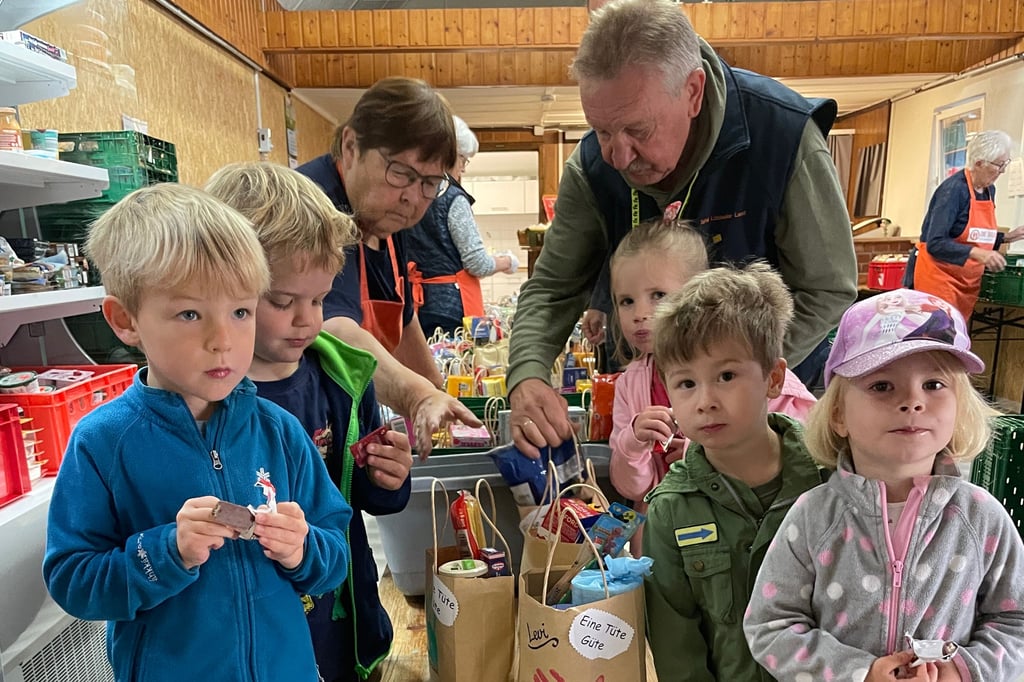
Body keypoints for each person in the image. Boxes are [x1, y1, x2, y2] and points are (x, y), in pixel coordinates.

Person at [506, 0, 856, 459]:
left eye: (637, 130)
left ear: (693, 91)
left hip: (765, 422)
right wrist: (527, 373)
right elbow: (553, 286)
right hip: (645, 423)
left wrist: (731, 380)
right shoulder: (592, 165)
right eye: (601, 130)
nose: (618, 156)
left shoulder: (783, 135)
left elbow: (827, 288)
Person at [43, 184, 353, 681]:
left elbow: (334, 553)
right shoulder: (101, 443)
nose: (223, 341)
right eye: (190, 314)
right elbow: (72, 580)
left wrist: (301, 548)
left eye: (241, 312)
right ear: (126, 320)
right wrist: (165, 552)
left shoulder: (281, 432)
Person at [744, 289, 1024, 681]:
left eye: (934, 385)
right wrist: (859, 672)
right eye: (881, 386)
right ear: (839, 413)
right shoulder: (813, 516)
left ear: (959, 406)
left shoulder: (981, 517)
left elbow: (1016, 620)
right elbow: (770, 625)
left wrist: (965, 670)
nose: (912, 401)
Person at [205, 162, 412, 682]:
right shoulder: (205, 393)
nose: (307, 319)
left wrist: (389, 478)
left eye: (319, 299)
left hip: (338, 616)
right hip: (243, 630)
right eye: (282, 301)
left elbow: (364, 500)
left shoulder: (341, 378)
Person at [642, 262, 826, 681]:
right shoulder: (671, 510)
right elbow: (676, 647)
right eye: (686, 383)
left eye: (726, 375)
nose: (705, 400)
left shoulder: (830, 482)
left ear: (773, 378)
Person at [608, 219, 816, 558]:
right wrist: (632, 444)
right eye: (625, 301)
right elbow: (632, 488)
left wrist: (705, 450)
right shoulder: (631, 384)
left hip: (754, 533)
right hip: (667, 539)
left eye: (658, 296)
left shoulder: (756, 371)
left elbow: (802, 456)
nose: (640, 314)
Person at [297, 76, 479, 454]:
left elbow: (405, 318)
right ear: (351, 146)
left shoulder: (386, 218)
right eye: (400, 173)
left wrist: (438, 396)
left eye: (430, 182)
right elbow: (333, 329)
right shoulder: (314, 208)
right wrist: (416, 398)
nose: (413, 197)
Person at [406, 115, 519, 337]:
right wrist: (507, 261)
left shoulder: (409, 192)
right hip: (451, 307)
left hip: (416, 303)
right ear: (450, 156)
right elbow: (477, 263)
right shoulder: (453, 197)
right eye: (464, 160)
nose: (464, 169)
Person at [908, 130, 1024, 321]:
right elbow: (936, 243)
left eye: (1005, 163)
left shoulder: (988, 190)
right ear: (979, 163)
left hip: (966, 281)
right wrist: (979, 254)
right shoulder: (953, 190)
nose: (1003, 170)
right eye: (999, 164)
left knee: (956, 340)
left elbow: (972, 235)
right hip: (938, 279)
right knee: (937, 341)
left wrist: (1008, 237)